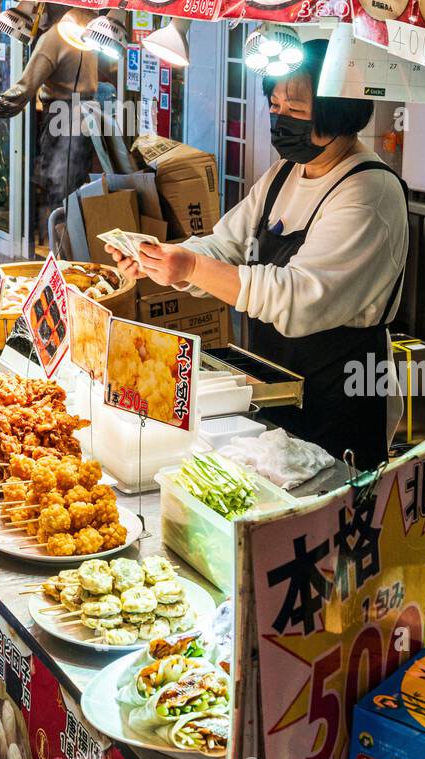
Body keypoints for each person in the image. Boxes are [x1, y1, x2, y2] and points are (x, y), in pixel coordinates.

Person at [106, 40, 408, 470]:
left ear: (338, 112)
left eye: (297, 109)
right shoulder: (284, 173)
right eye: (275, 104)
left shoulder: (368, 191)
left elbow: (299, 297)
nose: (281, 118)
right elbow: (225, 244)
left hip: (341, 394)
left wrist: (191, 267)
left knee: (332, 514)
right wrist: (165, 259)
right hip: (275, 376)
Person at [0, 5, 99, 222]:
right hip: (85, 121)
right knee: (73, 194)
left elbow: (23, 91)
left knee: (60, 195)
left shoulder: (55, 37)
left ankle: (63, 252)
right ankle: (71, 249)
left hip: (63, 119)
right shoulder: (85, 32)